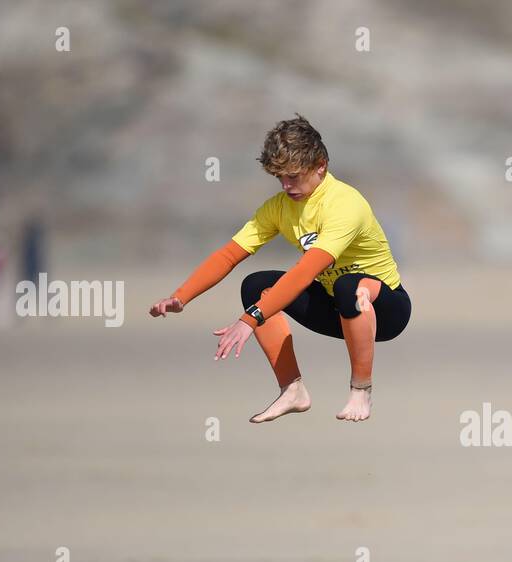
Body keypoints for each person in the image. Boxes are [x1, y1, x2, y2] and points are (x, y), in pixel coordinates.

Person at [148, 114, 410, 422]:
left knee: (349, 286)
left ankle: (360, 391)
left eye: (294, 176)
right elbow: (229, 255)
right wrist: (181, 296)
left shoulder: (345, 203)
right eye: (279, 178)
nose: (286, 186)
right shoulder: (278, 208)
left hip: (384, 310)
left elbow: (304, 272)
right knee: (255, 284)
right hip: (335, 311)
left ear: (320, 165)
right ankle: (292, 390)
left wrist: (250, 319)